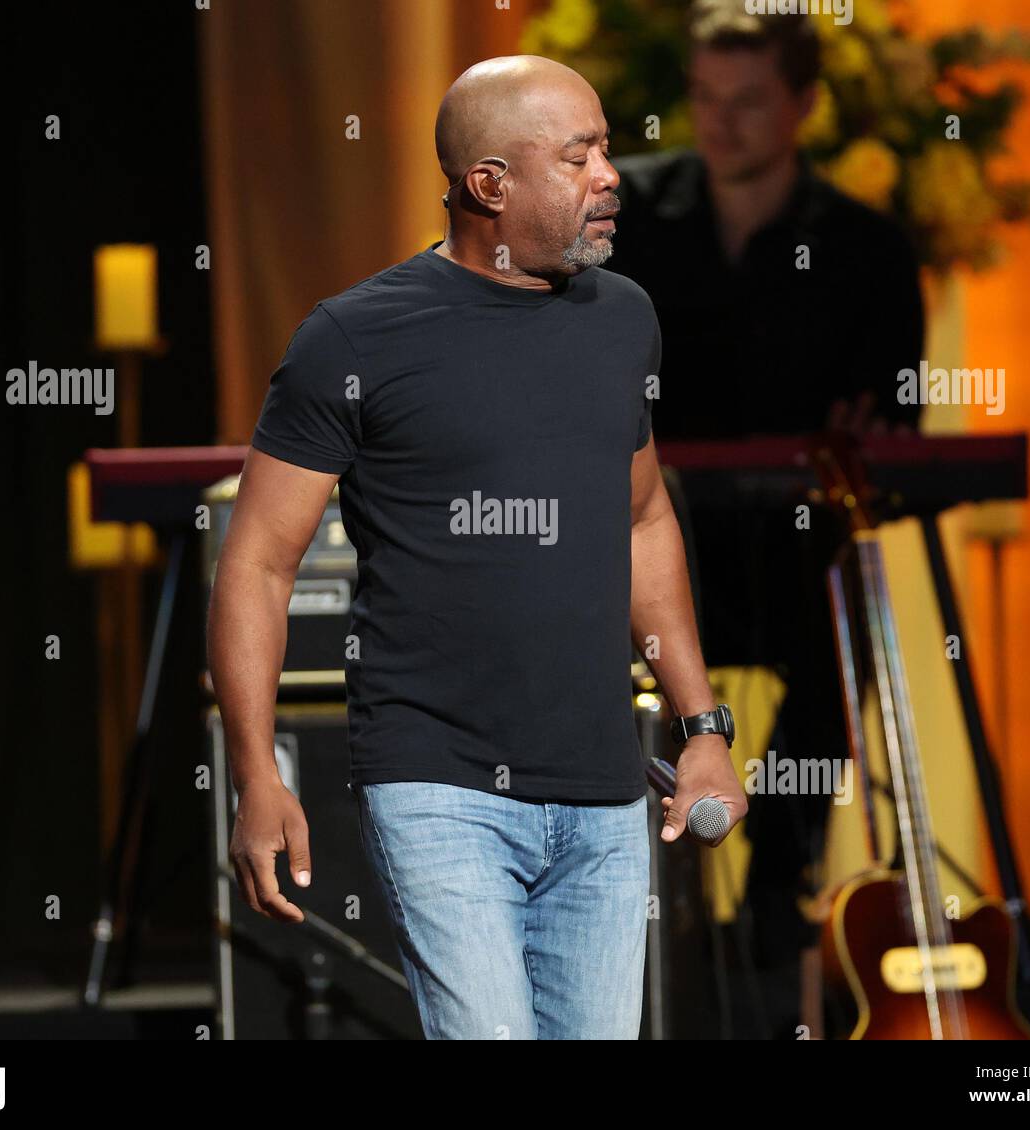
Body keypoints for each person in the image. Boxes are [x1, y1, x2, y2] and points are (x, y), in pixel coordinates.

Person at [206, 54, 747, 1040]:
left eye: (606, 149)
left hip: (601, 785)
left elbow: (643, 520)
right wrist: (255, 772)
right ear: (487, 183)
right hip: (436, 782)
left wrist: (701, 724)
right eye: (577, 154)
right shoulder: (353, 338)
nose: (609, 174)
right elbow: (257, 561)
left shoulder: (621, 318)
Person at [602, 1, 925, 1025]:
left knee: (837, 640)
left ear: (803, 105)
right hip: (646, 538)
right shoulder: (628, 217)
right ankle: (629, 886)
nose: (721, 123)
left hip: (786, 542)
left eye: (748, 102)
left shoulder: (865, 246)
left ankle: (774, 888)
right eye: (705, 98)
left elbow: (891, 416)